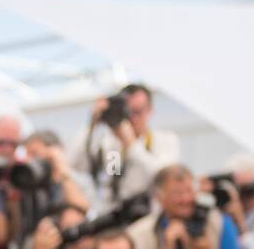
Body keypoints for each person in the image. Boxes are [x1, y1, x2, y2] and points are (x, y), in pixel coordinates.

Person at [68, 83, 179, 211]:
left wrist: (132, 145)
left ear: (150, 111)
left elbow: (164, 177)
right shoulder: (112, 146)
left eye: (137, 112)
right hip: (117, 219)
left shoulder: (165, 140)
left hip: (149, 218)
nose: (131, 119)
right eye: (127, 113)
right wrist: (91, 123)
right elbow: (73, 163)